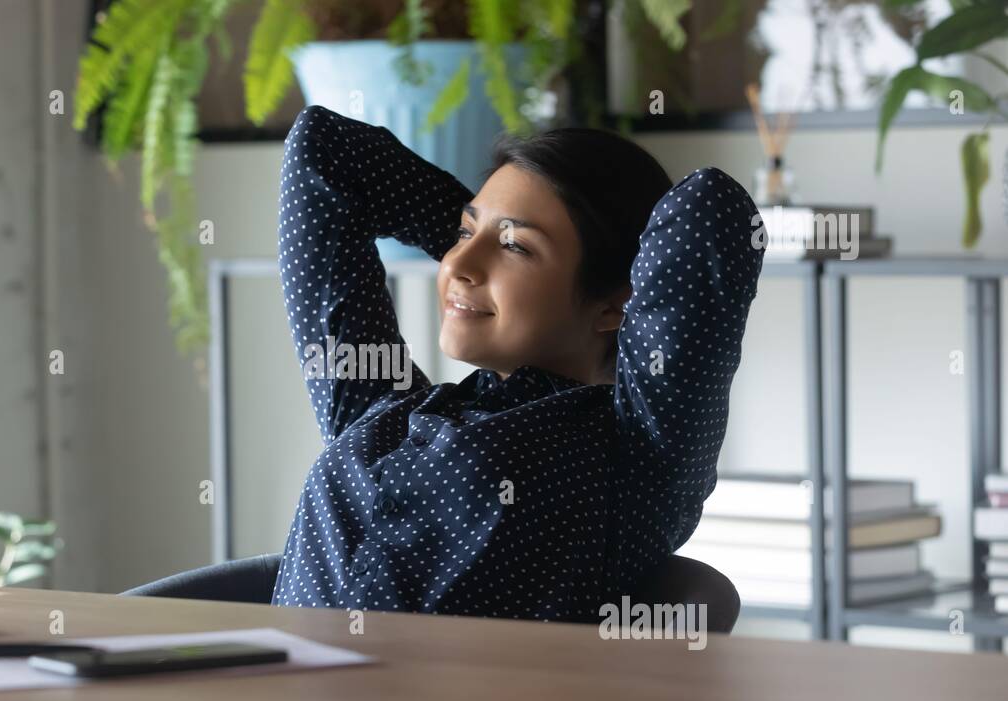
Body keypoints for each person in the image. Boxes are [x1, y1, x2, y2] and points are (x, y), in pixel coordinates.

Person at [272, 104, 764, 622]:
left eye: (516, 247)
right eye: (463, 235)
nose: (456, 264)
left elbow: (710, 207)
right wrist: (491, 235)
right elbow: (321, 149)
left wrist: (500, 237)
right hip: (254, 696)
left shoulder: (637, 455)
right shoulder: (378, 401)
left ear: (618, 302)